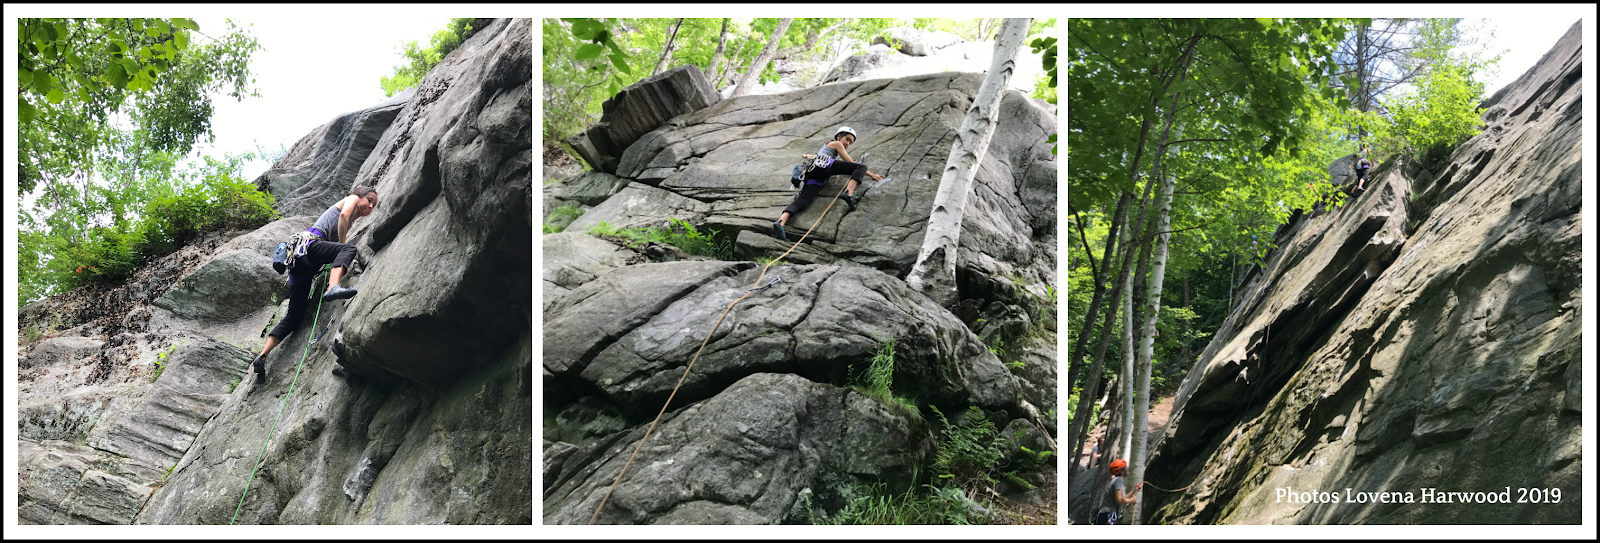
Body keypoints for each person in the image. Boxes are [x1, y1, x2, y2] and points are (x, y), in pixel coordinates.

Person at [251, 186, 379, 377]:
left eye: (373, 205)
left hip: (301, 267)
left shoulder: (353, 216)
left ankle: (261, 357)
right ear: (359, 196)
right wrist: (342, 246)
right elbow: (343, 215)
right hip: (309, 246)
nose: (370, 206)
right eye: (369, 200)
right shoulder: (351, 199)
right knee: (347, 250)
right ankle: (333, 287)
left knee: (293, 318)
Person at [771, 126, 884, 241]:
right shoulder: (836, 143)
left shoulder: (826, 148)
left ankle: (781, 222)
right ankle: (848, 193)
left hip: (813, 174)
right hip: (824, 165)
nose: (848, 144)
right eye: (847, 139)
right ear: (839, 136)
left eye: (851, 143)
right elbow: (850, 162)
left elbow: (814, 158)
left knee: (804, 200)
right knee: (861, 167)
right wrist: (872, 175)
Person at [1094, 458, 1145, 525]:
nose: (1128, 468)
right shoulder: (1119, 480)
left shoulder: (1117, 480)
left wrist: (1135, 489)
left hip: (1106, 515)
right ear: (1121, 471)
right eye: (1126, 467)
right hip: (1107, 515)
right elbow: (1119, 500)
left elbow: (1122, 497)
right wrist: (1131, 500)